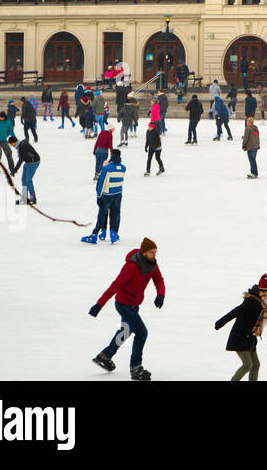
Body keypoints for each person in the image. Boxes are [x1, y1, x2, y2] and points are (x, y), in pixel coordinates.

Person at [89, 237, 164, 380]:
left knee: (125, 331)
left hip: (134, 305)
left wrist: (160, 294)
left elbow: (159, 280)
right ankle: (136, 368)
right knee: (142, 333)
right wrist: (99, 305)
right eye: (152, 252)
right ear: (144, 253)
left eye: (155, 252)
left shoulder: (152, 264)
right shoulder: (131, 267)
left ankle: (104, 356)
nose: (154, 255)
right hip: (123, 305)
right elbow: (115, 286)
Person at [215, 273, 267, 381]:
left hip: (250, 338)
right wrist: (221, 322)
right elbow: (236, 311)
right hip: (240, 338)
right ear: (263, 290)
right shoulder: (251, 301)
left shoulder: (265, 304)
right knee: (247, 365)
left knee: (256, 365)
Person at [83, 148, 126, 244]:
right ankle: (114, 234)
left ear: (112, 156)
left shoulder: (107, 168)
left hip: (107, 195)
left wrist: (98, 196)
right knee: (116, 214)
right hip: (118, 194)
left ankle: (94, 235)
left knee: (102, 215)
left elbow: (101, 183)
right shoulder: (123, 168)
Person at [11, 137, 40, 205]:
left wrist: (14, 170)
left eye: (11, 143)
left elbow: (21, 160)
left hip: (34, 162)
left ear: (14, 142)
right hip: (28, 162)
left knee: (28, 180)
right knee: (24, 180)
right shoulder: (20, 145)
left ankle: (33, 197)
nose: (10, 145)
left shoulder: (22, 147)